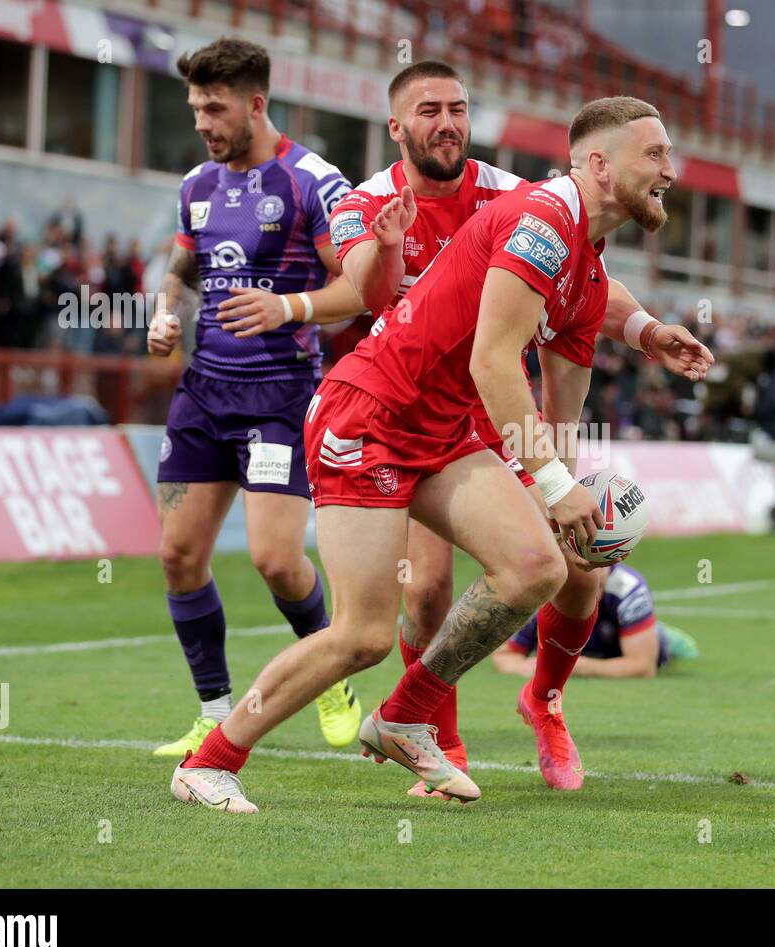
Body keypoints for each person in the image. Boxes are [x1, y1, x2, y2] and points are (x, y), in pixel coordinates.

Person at [169, 95, 689, 812]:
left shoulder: (590, 276)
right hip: (370, 414)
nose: (671, 169)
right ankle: (211, 759)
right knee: (361, 636)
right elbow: (493, 365)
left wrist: (567, 493)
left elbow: (559, 417)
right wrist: (550, 482)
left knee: (539, 563)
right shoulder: (543, 220)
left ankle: (407, 715)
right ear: (598, 165)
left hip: (442, 429)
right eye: (655, 155)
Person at [144, 37, 367, 759]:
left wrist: (288, 308)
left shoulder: (312, 181)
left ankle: (331, 674)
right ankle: (212, 710)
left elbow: (358, 290)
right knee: (179, 555)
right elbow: (183, 269)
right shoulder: (197, 185)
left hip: (277, 396)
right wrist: (165, 312)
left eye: (215, 108)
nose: (203, 122)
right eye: (196, 108)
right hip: (204, 392)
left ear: (256, 104)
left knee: (275, 559)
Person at [492, 563, 698, 679]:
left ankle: (659, 632)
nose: (591, 577)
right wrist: (526, 668)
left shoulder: (629, 589)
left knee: (659, 642)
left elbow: (643, 667)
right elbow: (506, 656)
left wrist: (576, 667)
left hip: (618, 645)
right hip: (585, 644)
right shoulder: (544, 589)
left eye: (596, 565)